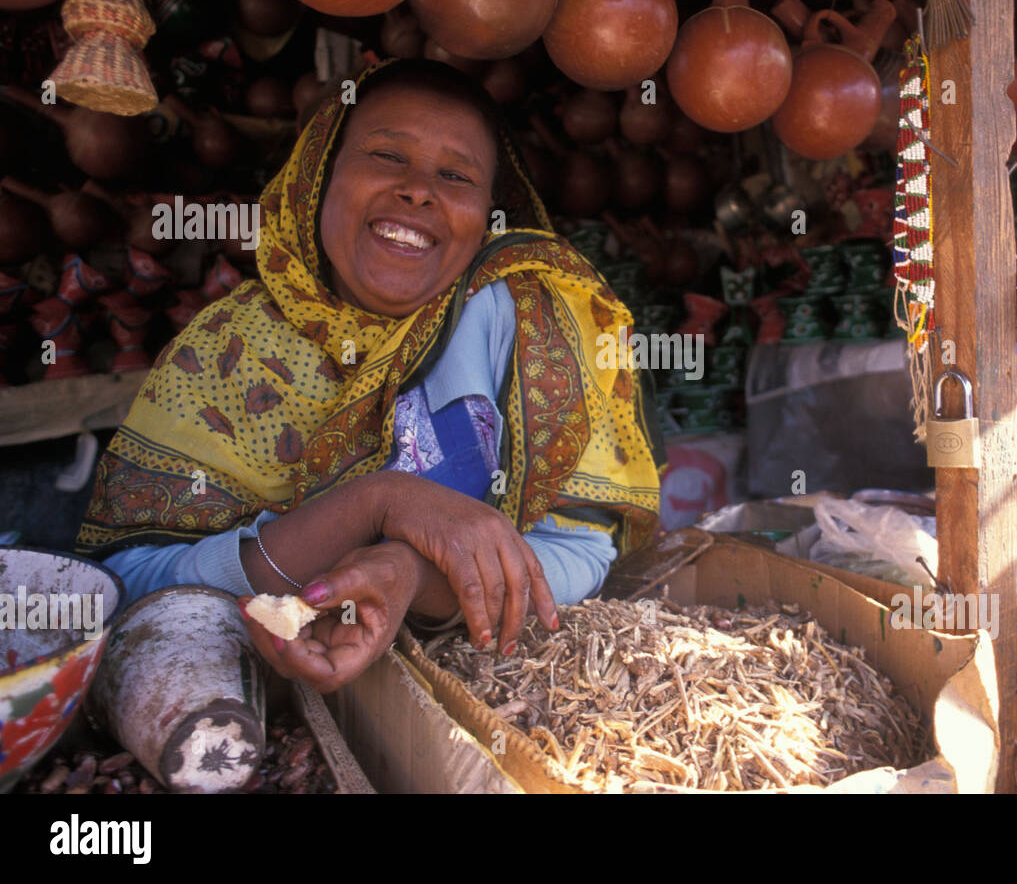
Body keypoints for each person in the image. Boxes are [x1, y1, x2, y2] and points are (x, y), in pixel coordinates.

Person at [75, 58, 664, 691]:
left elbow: (580, 547)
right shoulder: (225, 350)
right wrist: (372, 505)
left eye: (456, 174)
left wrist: (411, 576)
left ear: (491, 212)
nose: (418, 191)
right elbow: (125, 586)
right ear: (319, 176)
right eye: (386, 156)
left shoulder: (529, 321)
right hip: (253, 708)